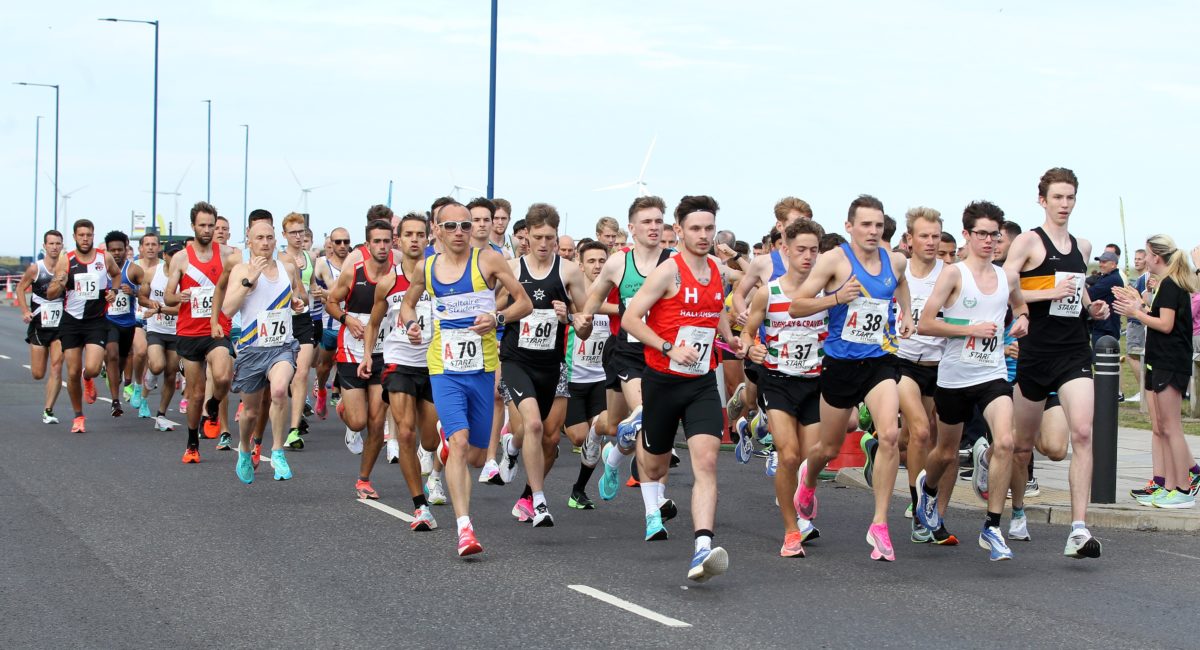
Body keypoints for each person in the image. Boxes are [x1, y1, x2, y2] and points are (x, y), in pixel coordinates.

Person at [399, 201, 531, 557]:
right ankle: (464, 529)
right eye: (451, 226)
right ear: (437, 230)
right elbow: (407, 305)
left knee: (474, 456)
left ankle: (446, 447)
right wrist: (411, 324)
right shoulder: (427, 269)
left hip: (483, 367)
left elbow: (524, 303)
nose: (459, 232)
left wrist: (498, 318)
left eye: (465, 225)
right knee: (459, 443)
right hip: (444, 366)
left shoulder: (487, 261)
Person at [621, 194, 740, 581]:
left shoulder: (718, 270)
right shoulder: (667, 272)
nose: (703, 235)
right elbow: (630, 319)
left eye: (708, 228)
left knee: (706, 462)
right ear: (679, 230)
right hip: (662, 380)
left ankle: (702, 547)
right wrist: (669, 346)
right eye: (695, 229)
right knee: (653, 464)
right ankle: (633, 435)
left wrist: (729, 338)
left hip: (703, 381)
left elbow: (716, 308)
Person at [789, 195, 914, 562]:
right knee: (827, 448)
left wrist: (905, 312)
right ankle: (808, 481)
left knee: (889, 434)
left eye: (878, 225)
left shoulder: (895, 259)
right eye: (865, 225)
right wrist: (837, 298)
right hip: (841, 364)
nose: (873, 231)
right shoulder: (834, 260)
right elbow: (798, 304)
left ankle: (879, 524)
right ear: (849, 227)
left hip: (879, 359)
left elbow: (901, 281)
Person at [913, 201, 1030, 561]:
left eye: (995, 234)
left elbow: (1020, 305)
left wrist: (1022, 319)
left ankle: (992, 526)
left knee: (1006, 442)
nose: (989, 240)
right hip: (954, 375)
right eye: (981, 233)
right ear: (967, 234)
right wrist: (970, 328)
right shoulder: (953, 274)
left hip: (992, 373)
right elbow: (926, 324)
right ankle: (927, 489)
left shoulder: (1007, 276)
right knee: (945, 452)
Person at [1003, 167, 1110, 559]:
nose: (1064, 205)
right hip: (1035, 354)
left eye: (1070, 198)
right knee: (1022, 446)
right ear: (1042, 199)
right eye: (1057, 197)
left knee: (1082, 434)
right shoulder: (1030, 241)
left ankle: (1079, 528)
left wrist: (1092, 308)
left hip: (1073, 352)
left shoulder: (1082, 246)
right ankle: (1016, 511)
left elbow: (1076, 291)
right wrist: (1045, 293)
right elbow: (1005, 281)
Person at [496, 203, 592, 527]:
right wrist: (504, 314)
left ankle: (517, 465)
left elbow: (585, 326)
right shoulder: (511, 268)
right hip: (516, 359)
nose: (543, 244)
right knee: (534, 425)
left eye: (549, 237)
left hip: (553, 363)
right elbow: (493, 307)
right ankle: (540, 503)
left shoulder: (569, 272)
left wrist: (571, 318)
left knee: (549, 438)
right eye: (537, 237)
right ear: (526, 237)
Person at [579, 196, 675, 515]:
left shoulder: (675, 262)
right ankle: (599, 437)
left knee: (647, 421)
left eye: (658, 221)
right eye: (646, 222)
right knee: (622, 422)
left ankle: (649, 490)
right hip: (627, 351)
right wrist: (583, 321)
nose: (653, 227)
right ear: (632, 228)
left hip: (663, 354)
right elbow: (592, 301)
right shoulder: (619, 262)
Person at [739, 219, 826, 557]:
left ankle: (806, 488)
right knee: (788, 455)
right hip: (777, 382)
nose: (807, 256)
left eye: (814, 250)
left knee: (811, 459)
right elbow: (748, 332)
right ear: (785, 250)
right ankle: (791, 531)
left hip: (815, 383)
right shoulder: (769, 292)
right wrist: (751, 346)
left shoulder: (824, 293)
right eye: (800, 249)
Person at [361, 213, 441, 530]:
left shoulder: (439, 275)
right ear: (399, 239)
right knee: (405, 431)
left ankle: (433, 464)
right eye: (408, 234)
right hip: (398, 361)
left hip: (434, 362)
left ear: (428, 238)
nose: (414, 239)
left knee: (431, 438)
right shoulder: (388, 282)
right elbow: (374, 323)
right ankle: (420, 506)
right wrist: (368, 355)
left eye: (420, 234)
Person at [1113, 235, 1199, 508]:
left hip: (1171, 362)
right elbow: (1158, 314)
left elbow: (1165, 324)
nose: (1145, 259)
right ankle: (1171, 486)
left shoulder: (1172, 285)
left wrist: (1136, 313)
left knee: (1171, 427)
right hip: (1159, 359)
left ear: (1157, 257)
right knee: (1162, 425)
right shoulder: (1164, 285)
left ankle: (1185, 489)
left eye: (1148, 254)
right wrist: (1138, 305)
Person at [221, 220, 307, 483]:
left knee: (280, 390)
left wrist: (296, 303)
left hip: (281, 346)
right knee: (250, 413)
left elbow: (297, 296)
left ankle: (278, 450)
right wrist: (251, 279)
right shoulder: (240, 270)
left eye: (269, 237)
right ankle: (245, 448)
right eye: (259, 238)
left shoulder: (287, 268)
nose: (265, 243)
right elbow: (228, 309)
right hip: (251, 349)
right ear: (249, 241)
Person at [890, 207, 948, 543]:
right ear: (909, 239)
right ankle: (918, 511)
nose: (930, 242)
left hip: (940, 365)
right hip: (904, 361)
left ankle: (878, 446)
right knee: (921, 431)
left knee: (923, 437)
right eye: (923, 236)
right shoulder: (898, 271)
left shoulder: (950, 273)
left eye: (935, 236)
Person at [326, 219, 396, 500]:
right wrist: (347, 318)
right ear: (367, 246)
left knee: (377, 422)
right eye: (376, 241)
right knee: (358, 422)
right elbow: (331, 301)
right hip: (352, 352)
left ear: (393, 243)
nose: (381, 246)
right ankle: (344, 409)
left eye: (386, 241)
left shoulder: (398, 272)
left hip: (385, 354)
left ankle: (364, 479)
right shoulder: (354, 272)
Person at [164, 202, 238, 463]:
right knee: (195, 394)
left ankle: (215, 405)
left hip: (217, 330)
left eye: (212, 226)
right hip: (189, 332)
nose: (207, 230)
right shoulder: (181, 258)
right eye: (203, 225)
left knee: (223, 376)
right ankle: (192, 441)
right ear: (193, 226)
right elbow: (168, 296)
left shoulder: (229, 254)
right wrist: (179, 296)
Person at [46, 219, 122, 433]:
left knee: (94, 368)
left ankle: (87, 378)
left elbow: (116, 275)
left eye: (88, 235)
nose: (85, 239)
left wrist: (113, 292)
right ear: (75, 237)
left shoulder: (103, 257)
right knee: (71, 372)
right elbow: (51, 294)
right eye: (81, 235)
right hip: (71, 321)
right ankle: (78, 416)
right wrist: (59, 282)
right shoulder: (66, 260)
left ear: (93, 235)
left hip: (96, 320)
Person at [564, 240, 612, 510]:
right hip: (571, 379)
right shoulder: (572, 296)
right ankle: (557, 422)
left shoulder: (612, 293)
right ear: (580, 265)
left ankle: (578, 490)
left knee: (598, 433)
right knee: (580, 438)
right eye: (591, 261)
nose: (597, 266)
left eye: (602, 261)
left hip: (599, 380)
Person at [279, 213, 319, 450]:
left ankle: (294, 430)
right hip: (282, 321)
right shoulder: (280, 259)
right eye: (293, 232)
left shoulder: (309, 256)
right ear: (284, 235)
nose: (298, 236)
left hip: (303, 318)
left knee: (303, 371)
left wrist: (318, 292)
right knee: (285, 378)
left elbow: (312, 284)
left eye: (301, 231)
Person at [17, 229, 65, 424]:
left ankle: (49, 410)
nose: (54, 247)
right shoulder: (36, 268)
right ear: (44, 246)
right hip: (39, 323)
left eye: (58, 243)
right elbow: (20, 288)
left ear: (62, 246)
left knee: (56, 367)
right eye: (51, 243)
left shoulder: (66, 269)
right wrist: (24, 310)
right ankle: (48, 407)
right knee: (38, 374)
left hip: (61, 324)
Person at [139, 241, 182, 432]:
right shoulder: (152, 272)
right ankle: (148, 379)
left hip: (176, 330)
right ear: (164, 256)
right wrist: (150, 303)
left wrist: (162, 308)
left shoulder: (185, 277)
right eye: (171, 255)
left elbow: (182, 309)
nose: (174, 259)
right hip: (156, 328)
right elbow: (141, 296)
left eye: (178, 255)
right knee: (157, 365)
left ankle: (162, 415)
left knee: (171, 374)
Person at [102, 231, 143, 417]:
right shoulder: (100, 269)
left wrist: (133, 292)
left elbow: (147, 294)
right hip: (107, 320)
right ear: (107, 250)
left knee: (122, 358)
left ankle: (114, 375)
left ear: (126, 249)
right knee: (111, 352)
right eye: (112, 250)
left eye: (120, 249)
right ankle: (115, 401)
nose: (117, 253)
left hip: (127, 322)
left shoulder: (133, 270)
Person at [313, 226, 351, 419]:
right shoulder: (322, 264)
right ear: (331, 244)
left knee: (348, 367)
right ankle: (321, 391)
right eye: (338, 242)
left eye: (346, 241)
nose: (343, 246)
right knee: (324, 366)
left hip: (351, 325)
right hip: (330, 325)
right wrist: (325, 295)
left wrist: (328, 295)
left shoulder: (356, 263)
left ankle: (346, 402)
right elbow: (329, 291)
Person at [1124, 248, 1149, 404]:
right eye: (1135, 258)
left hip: (1137, 323)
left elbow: (1144, 300)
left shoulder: (1145, 278)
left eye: (1140, 258)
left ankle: (1143, 391)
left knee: (1133, 355)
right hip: (1135, 322)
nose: (1137, 261)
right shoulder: (1139, 278)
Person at [1087, 250, 1124, 349]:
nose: (1100, 265)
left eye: (1104, 262)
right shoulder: (1108, 277)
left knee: (1103, 361)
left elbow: (1090, 294)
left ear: (1113, 264)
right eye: (1100, 262)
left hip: (1106, 328)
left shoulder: (1112, 279)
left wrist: (1083, 286)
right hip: (1103, 326)